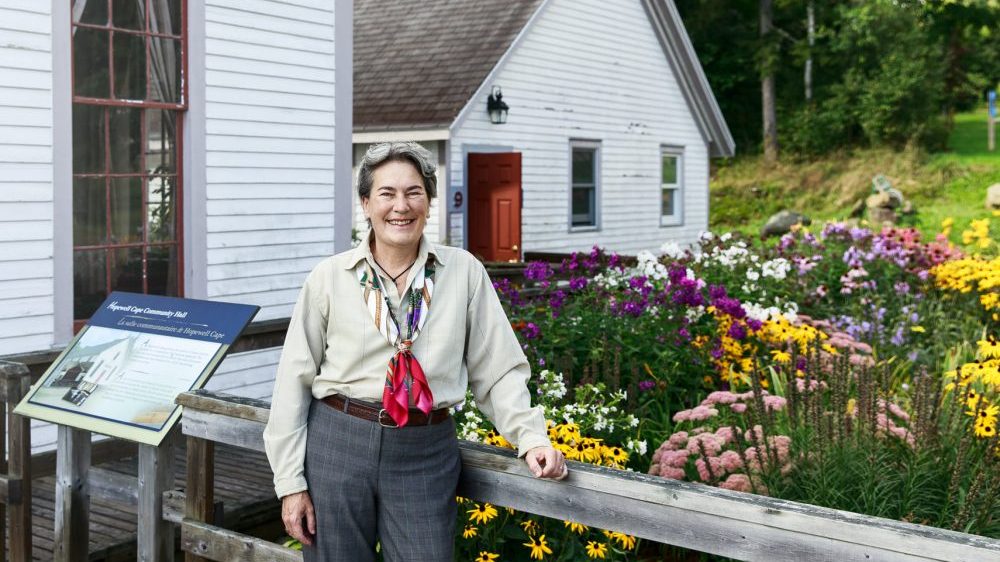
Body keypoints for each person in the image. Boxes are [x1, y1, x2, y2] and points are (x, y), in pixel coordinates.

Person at [263, 141, 567, 561]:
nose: (400, 206)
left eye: (413, 192)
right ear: (366, 204)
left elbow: (498, 370)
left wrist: (531, 438)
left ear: (429, 201)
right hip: (338, 440)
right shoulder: (328, 277)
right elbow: (292, 384)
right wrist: (290, 483)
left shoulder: (464, 272)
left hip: (425, 449)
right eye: (386, 194)